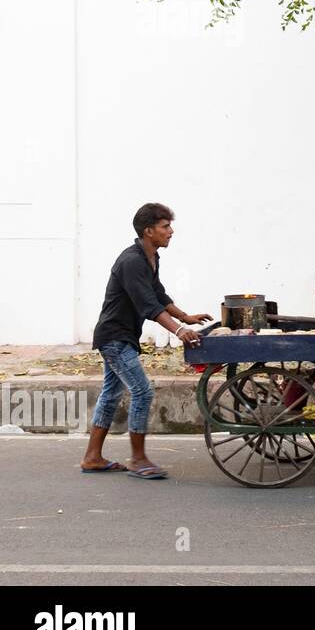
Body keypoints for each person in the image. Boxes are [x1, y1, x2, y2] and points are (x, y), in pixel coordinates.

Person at [79, 203, 212, 479]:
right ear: (148, 231)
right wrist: (178, 331)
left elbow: (158, 295)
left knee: (111, 394)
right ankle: (138, 459)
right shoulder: (131, 262)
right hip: (114, 337)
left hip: (122, 337)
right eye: (165, 227)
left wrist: (186, 317)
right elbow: (148, 305)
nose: (171, 231)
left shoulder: (150, 258)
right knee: (142, 391)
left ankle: (92, 457)